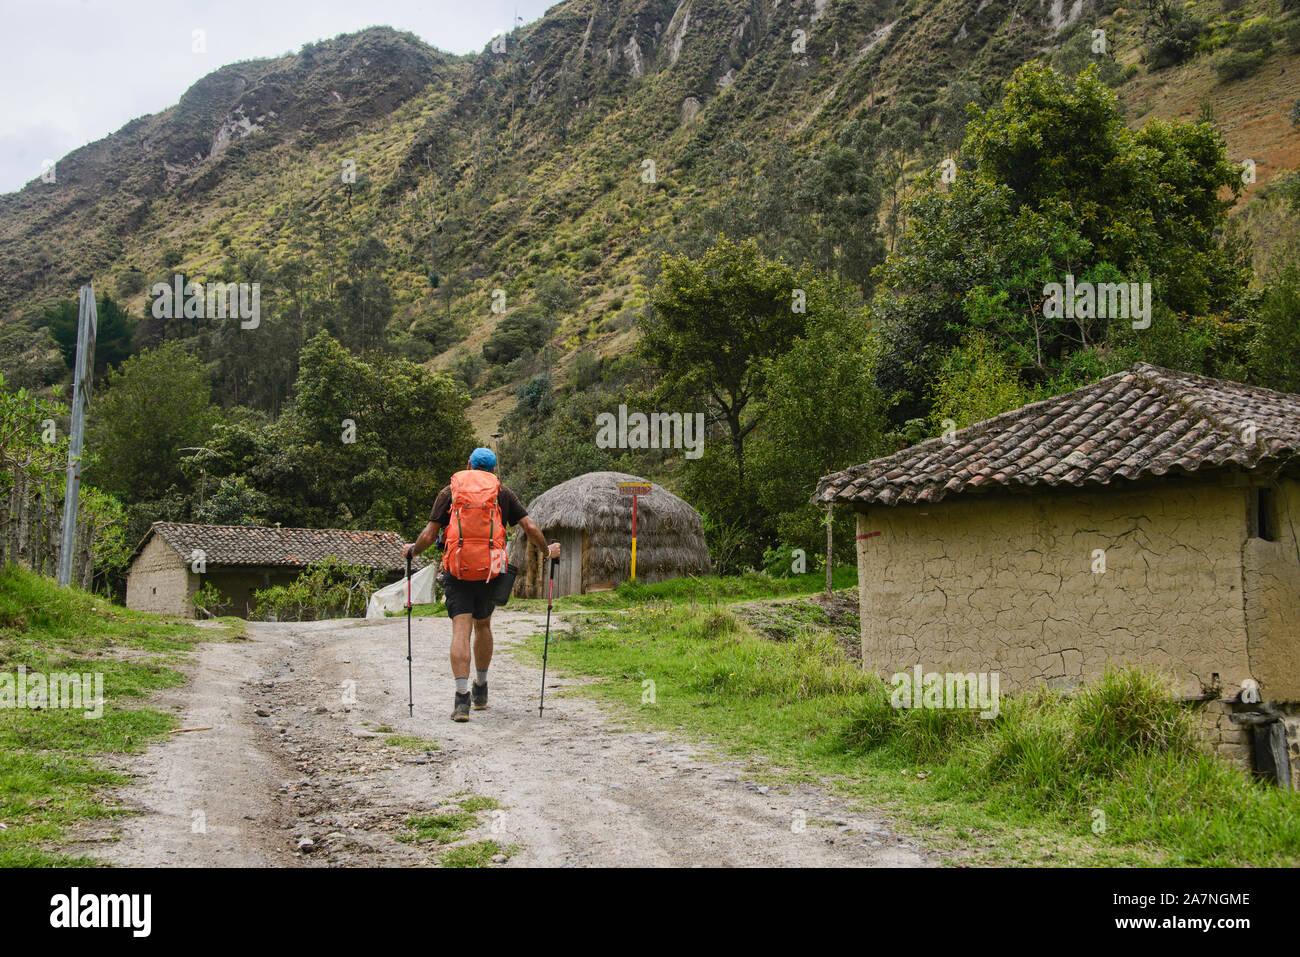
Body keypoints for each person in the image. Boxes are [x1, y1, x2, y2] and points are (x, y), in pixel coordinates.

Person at [403, 447, 559, 721]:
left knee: (460, 630)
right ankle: (481, 689)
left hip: (457, 570)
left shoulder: (449, 492)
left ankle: (461, 700)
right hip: (490, 571)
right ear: (493, 470)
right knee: (483, 625)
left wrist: (412, 551)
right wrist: (547, 551)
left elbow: (429, 535)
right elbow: (531, 528)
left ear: (468, 465)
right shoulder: (502, 493)